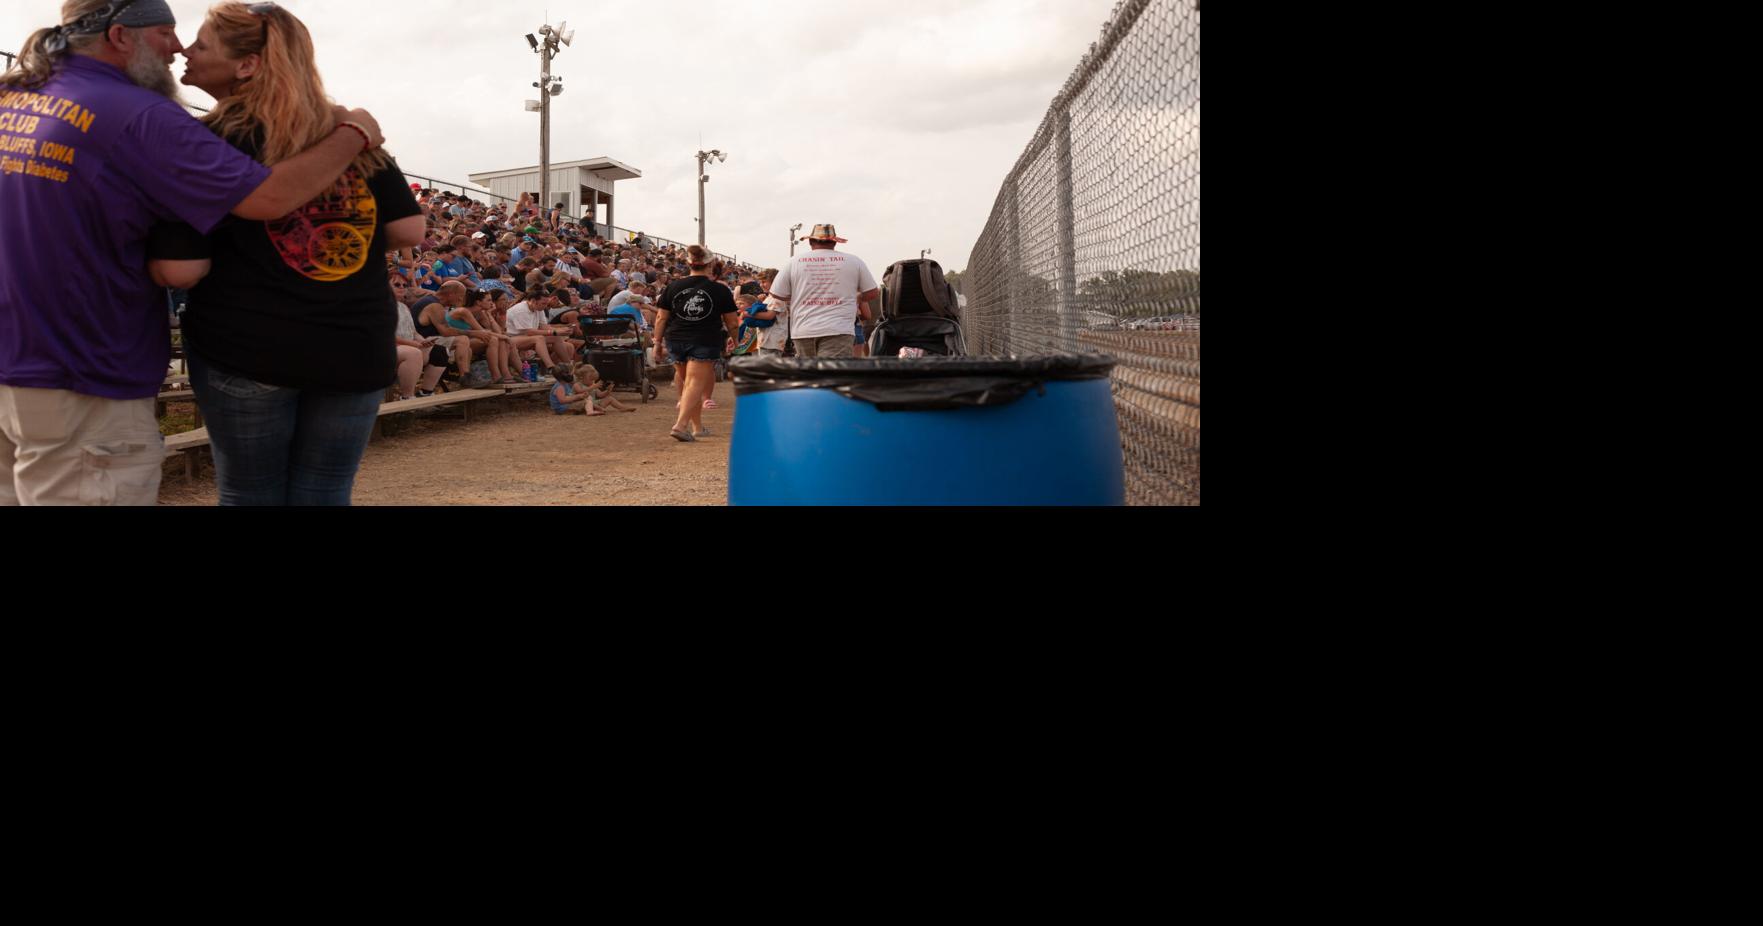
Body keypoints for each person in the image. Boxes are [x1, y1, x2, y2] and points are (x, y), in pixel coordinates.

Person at [0, 0, 386, 506]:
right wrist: (353, 134)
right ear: (121, 37)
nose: (177, 48)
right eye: (165, 33)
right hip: (83, 366)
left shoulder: (14, 96)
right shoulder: (139, 113)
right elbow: (267, 199)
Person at [139, 1, 418, 505]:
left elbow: (182, 269)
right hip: (353, 342)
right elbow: (409, 228)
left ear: (247, 65)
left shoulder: (207, 142)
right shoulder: (349, 135)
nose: (186, 50)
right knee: (326, 491)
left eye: (202, 44)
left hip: (248, 349)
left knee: (250, 493)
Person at [655, 244, 740, 442]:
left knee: (689, 385)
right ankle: (680, 425)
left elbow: (660, 318)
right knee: (694, 384)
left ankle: (697, 427)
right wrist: (735, 340)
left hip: (675, 338)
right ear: (710, 265)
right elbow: (732, 322)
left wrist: (657, 342)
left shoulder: (673, 286)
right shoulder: (720, 289)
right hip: (704, 339)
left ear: (689, 264)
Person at [767, 224, 879, 359]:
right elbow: (873, 292)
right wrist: (858, 297)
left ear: (810, 241)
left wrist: (799, 295)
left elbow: (776, 294)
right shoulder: (854, 261)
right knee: (833, 376)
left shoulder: (794, 261)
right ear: (834, 242)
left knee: (810, 376)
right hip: (839, 330)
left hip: (804, 329)